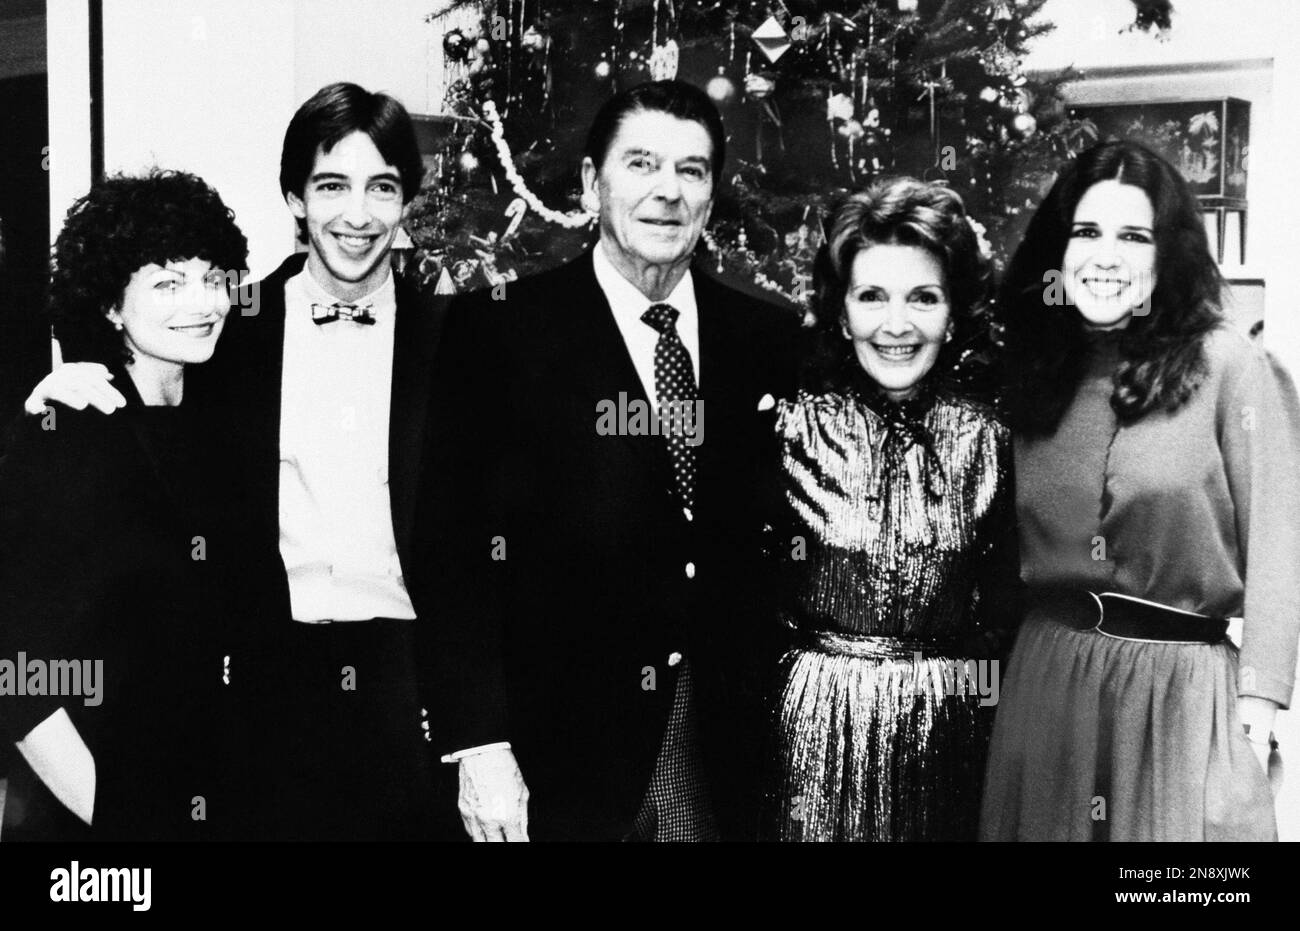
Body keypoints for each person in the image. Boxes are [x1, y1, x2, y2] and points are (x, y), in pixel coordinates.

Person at [26, 83, 458, 840]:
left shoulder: (462, 337)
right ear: (294, 197)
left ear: (406, 201)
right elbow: (29, 656)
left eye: (381, 187)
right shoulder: (238, 336)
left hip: (406, 690)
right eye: (331, 185)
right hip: (261, 699)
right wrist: (53, 391)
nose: (356, 214)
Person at [415, 79, 800, 841]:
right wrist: (481, 744)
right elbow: (450, 552)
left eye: (692, 171)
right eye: (642, 165)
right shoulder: (498, 332)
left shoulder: (769, 339)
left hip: (721, 753)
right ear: (593, 184)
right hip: (557, 756)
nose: (668, 191)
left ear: (712, 197)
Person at [980, 139, 1300, 841]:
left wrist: (1260, 704)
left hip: (1181, 694)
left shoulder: (1232, 366)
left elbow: (1282, 539)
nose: (1105, 255)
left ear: (1167, 257)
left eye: (1134, 235)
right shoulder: (1037, 366)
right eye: (1087, 232)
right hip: (1050, 680)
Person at [0, 170, 251, 840]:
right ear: (111, 305)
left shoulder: (218, 422)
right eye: (167, 283)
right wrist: (119, 817)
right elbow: (21, 675)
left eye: (212, 277)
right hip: (99, 811)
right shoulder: (72, 428)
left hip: (207, 788)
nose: (201, 302)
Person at [766, 178, 1018, 842]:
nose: (897, 325)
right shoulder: (788, 431)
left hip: (950, 728)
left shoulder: (993, 441)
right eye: (872, 296)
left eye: (923, 298)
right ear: (841, 312)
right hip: (815, 723)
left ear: (954, 313)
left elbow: (1008, 611)